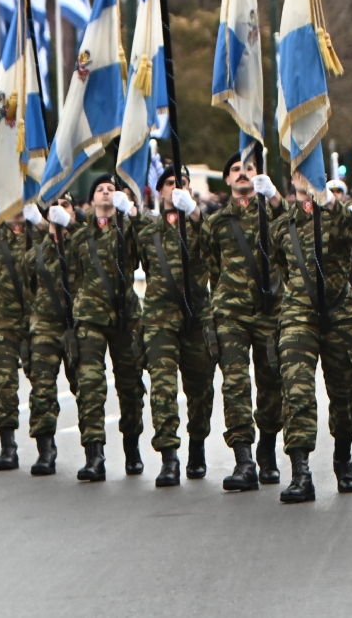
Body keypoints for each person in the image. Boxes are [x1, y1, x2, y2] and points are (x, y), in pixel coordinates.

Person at [272, 184, 352, 503]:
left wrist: (328, 202)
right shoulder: (283, 225)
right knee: (296, 388)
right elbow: (282, 266)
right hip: (299, 313)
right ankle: (300, 472)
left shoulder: (343, 213)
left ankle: (343, 457)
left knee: (344, 391)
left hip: (339, 311)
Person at [205, 151, 286, 491]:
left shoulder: (272, 213)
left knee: (271, 383)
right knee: (235, 383)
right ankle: (243, 458)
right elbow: (212, 266)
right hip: (231, 313)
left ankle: (267, 446)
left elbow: (293, 234)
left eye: (249, 168)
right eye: (235, 169)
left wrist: (276, 199)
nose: (242, 173)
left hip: (269, 311)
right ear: (226, 180)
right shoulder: (217, 222)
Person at [138, 166, 216, 486]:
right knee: (163, 386)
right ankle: (169, 456)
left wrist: (195, 213)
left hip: (197, 316)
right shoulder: (147, 233)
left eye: (182, 183)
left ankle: (197, 443)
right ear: (160, 192)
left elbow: (218, 247)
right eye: (170, 183)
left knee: (201, 389)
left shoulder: (202, 226)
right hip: (159, 317)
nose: (176, 188)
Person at [69, 175, 147, 481]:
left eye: (110, 189)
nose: (105, 192)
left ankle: (132, 447)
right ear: (90, 202)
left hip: (126, 316)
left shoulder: (128, 230)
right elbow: (71, 278)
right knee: (89, 386)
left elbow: (148, 248)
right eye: (100, 189)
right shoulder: (79, 237)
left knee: (130, 387)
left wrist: (132, 214)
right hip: (89, 318)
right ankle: (95, 454)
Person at [20, 194, 81, 475]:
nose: (59, 210)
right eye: (53, 207)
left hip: (78, 325)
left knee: (86, 388)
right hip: (45, 324)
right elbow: (28, 291)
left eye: (65, 206)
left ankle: (94, 451)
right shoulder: (35, 255)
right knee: (42, 387)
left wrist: (71, 226)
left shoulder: (83, 247)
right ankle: (45, 450)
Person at [0, 206, 35, 470]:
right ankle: (8, 446)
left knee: (43, 384)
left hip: (39, 320)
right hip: (2, 321)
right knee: (4, 384)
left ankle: (46, 447)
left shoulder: (41, 233)